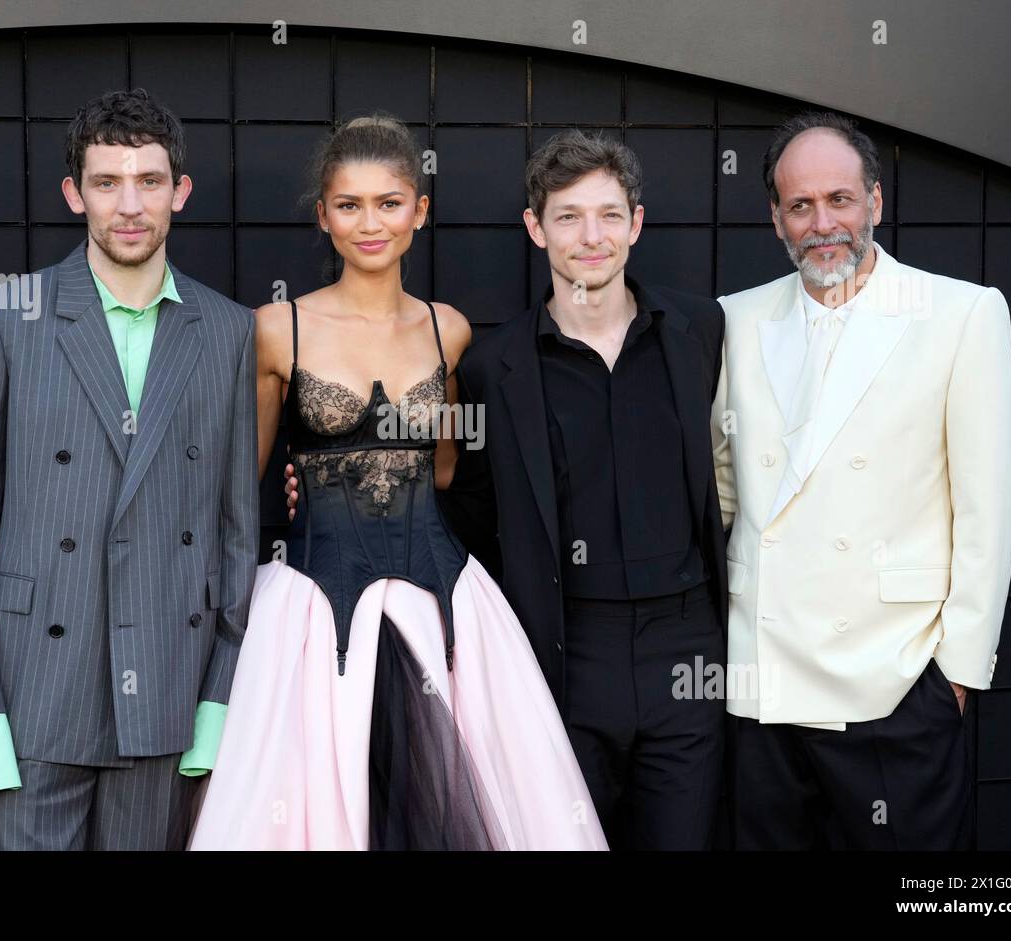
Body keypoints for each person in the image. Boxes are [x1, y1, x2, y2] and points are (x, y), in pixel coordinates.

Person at [289, 129, 731, 850]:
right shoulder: (492, 364)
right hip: (559, 648)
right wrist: (323, 481)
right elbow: (457, 496)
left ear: (636, 223)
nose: (592, 237)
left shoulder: (702, 331)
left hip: (687, 654)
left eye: (610, 214)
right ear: (535, 228)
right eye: (567, 216)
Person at [187, 115, 606, 850]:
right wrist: (308, 477)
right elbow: (239, 479)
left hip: (445, 605)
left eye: (389, 202)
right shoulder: (275, 328)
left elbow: (444, 467)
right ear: (323, 215)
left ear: (420, 210)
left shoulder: (451, 330)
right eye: (348, 204)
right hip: (313, 612)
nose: (369, 222)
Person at [0, 89, 258, 850]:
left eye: (149, 180)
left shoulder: (229, 331)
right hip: (29, 700)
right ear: (75, 194)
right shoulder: (8, 316)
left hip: (167, 703)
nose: (130, 204)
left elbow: (238, 535)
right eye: (107, 183)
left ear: (180, 191)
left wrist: (217, 709)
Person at [712, 111, 1011, 849]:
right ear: (776, 219)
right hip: (767, 682)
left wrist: (957, 672)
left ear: (875, 203)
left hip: (898, 677)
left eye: (840, 200)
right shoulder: (735, 320)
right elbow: (722, 489)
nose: (823, 223)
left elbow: (988, 505)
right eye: (801, 205)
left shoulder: (962, 314)